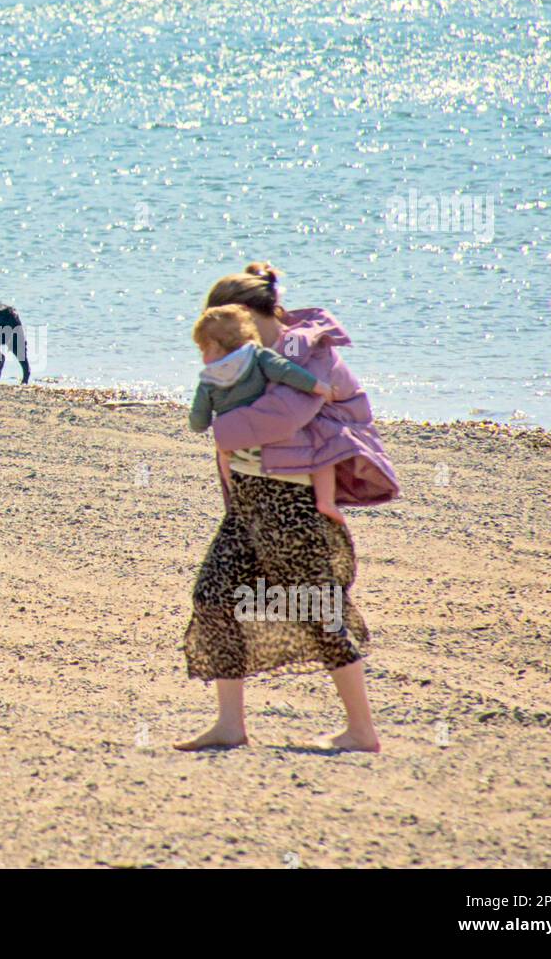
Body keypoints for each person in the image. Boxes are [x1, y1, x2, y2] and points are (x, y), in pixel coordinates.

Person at [178, 262, 399, 754]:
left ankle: (362, 731)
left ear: (255, 314)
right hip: (250, 502)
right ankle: (230, 724)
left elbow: (286, 416)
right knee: (213, 596)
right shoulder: (245, 357)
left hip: (294, 503)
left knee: (319, 611)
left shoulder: (307, 351)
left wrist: (221, 434)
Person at [188, 303, 344, 524]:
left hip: (236, 442)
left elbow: (199, 421)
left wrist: (198, 423)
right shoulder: (259, 355)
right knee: (323, 451)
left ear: (213, 346)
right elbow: (287, 371)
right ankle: (326, 501)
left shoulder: (208, 380)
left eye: (202, 349)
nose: (202, 355)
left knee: (222, 450)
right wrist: (320, 386)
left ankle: (233, 496)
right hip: (264, 431)